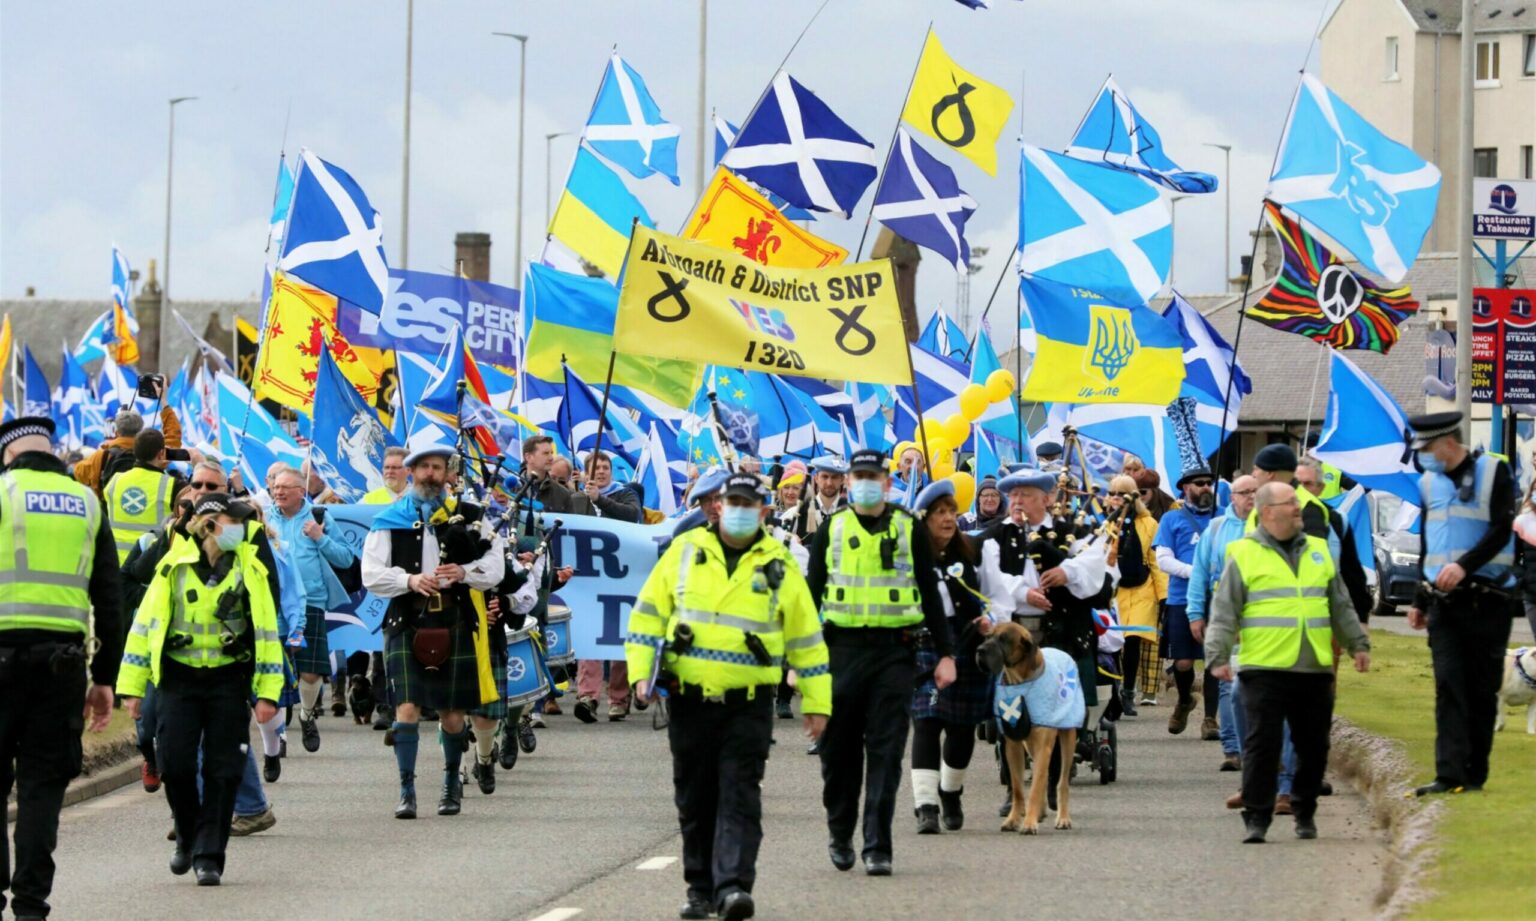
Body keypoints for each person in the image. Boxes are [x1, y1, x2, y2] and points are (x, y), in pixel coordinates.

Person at [627, 473, 831, 921]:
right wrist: (642, 674)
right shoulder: (684, 551)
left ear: (763, 511)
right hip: (688, 700)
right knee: (696, 797)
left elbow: (806, 639)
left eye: (747, 504)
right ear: (719, 506)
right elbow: (646, 617)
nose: (738, 510)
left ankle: (734, 887)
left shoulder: (779, 562)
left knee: (740, 794)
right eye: (731, 502)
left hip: (748, 703)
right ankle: (700, 889)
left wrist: (818, 703)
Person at [117, 492, 285, 885]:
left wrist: (267, 693)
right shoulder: (172, 568)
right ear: (209, 526)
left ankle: (209, 856)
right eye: (232, 521)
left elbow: (266, 633)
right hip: (179, 680)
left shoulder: (250, 570)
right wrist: (132, 687)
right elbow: (144, 628)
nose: (240, 528)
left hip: (229, 680)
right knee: (176, 765)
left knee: (223, 772)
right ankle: (187, 834)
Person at [808, 449, 956, 876]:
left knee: (886, 751)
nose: (866, 483)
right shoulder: (832, 528)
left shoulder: (909, 527)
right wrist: (799, 661)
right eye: (859, 477)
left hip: (895, 653)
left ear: (888, 484)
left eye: (874, 477)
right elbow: (809, 597)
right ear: (848, 482)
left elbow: (930, 592)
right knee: (838, 754)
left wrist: (946, 654)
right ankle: (840, 831)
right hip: (841, 652)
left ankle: (877, 844)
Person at [0, 417, 123, 920]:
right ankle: (31, 904)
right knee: (43, 786)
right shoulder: (87, 504)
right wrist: (105, 679)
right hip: (62, 667)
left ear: (9, 455)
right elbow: (110, 600)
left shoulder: (3, 493)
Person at [1206, 482, 1370, 844]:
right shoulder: (1244, 553)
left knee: (1313, 747)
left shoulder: (1318, 550)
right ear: (1267, 512)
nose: (1298, 507)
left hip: (1313, 666)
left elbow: (1340, 603)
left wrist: (1357, 643)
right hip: (1263, 667)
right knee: (1262, 746)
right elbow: (1225, 609)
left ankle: (1304, 809)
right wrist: (1217, 655)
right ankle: (1257, 816)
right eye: (1290, 502)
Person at [362, 444, 505, 819]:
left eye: (437, 467)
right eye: (423, 466)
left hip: (454, 619)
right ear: (411, 473)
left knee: (452, 715)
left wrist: (464, 573)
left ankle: (450, 783)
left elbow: (496, 567)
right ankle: (406, 790)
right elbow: (370, 573)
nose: (430, 473)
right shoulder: (389, 519)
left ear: (448, 474)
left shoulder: (471, 517)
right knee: (407, 707)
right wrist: (408, 580)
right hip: (406, 620)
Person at [977, 469, 1110, 814]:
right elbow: (988, 579)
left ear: (1047, 499)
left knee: (1056, 712)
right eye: (1013, 495)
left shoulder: (1074, 531)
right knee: (1010, 711)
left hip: (1062, 633)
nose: (1017, 501)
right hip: (1014, 636)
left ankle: (1050, 783)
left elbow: (1097, 567)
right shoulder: (994, 537)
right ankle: (1014, 791)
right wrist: (1022, 592)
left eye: (1025, 494)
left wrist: (1067, 572)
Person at [1404, 412, 1517, 797]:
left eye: (1427, 448)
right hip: (1444, 604)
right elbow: (1429, 541)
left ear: (1448, 444)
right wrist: (1419, 599)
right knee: (1448, 685)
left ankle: (1474, 775)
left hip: (1488, 600)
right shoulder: (1427, 482)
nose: (1423, 456)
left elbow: (1502, 529)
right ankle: (1448, 774)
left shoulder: (1494, 472)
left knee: (1481, 689)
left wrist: (1465, 566)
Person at [907, 480, 992, 835]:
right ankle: (925, 805)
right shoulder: (910, 557)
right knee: (927, 722)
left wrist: (988, 619)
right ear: (924, 519)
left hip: (967, 644)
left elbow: (989, 594)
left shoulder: (971, 552)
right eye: (940, 512)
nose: (947, 519)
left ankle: (951, 792)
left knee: (961, 728)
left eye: (952, 512)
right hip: (924, 643)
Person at [267, 466, 355, 752]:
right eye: (275, 487)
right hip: (272, 603)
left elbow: (345, 559)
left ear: (300, 491)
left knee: (310, 672)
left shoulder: (319, 517)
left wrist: (320, 537)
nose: (278, 492)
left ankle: (306, 715)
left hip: (310, 602)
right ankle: (278, 734)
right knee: (275, 672)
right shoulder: (264, 518)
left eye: (284, 487)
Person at [1251, 445, 1374, 623]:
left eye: (1308, 483)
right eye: (1298, 482)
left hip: (1308, 621)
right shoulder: (1256, 511)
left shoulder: (1326, 516)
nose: (1300, 489)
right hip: (1262, 619)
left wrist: (1358, 622)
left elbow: (1346, 576)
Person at [1187, 474, 1260, 771]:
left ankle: (1255, 746)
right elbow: (1199, 573)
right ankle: (1232, 748)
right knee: (1228, 682)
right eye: (1244, 492)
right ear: (1232, 497)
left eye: (1256, 491)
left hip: (1261, 614)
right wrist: (1195, 613)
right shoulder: (1216, 529)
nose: (1251, 496)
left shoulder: (1268, 526)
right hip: (1225, 613)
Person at [1154, 466, 1218, 736]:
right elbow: (1163, 560)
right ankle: (1184, 700)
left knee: (1215, 658)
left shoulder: (1222, 518)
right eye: (1199, 483)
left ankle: (1211, 719)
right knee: (1183, 661)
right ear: (1186, 488)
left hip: (1217, 597)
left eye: (1209, 483)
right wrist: (1197, 572)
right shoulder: (1172, 519)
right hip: (1182, 597)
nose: (1206, 487)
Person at [1105, 474, 1166, 718]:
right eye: (1113, 493)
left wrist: (1163, 597)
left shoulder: (1149, 524)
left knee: (1132, 641)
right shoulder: (1104, 523)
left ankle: (1128, 692)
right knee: (1112, 644)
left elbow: (1156, 562)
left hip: (1142, 589)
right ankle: (1113, 691)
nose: (1117, 498)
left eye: (1122, 494)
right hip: (1114, 591)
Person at [103, 428, 187, 565]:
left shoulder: (115, 480)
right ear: (161, 453)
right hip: (150, 565)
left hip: (116, 564)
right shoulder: (172, 485)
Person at [72, 404, 181, 499]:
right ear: (140, 430)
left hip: (110, 513)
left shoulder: (102, 454)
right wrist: (164, 404)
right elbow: (173, 438)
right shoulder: (153, 451)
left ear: (117, 431)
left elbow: (78, 471)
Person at [783, 456, 846, 543]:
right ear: (816, 478)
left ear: (842, 479)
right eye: (825, 477)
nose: (829, 483)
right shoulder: (796, 512)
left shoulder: (850, 511)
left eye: (834, 477)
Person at [581, 451, 641, 523]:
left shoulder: (625, 493)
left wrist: (599, 499)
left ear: (611, 473)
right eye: (596, 468)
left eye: (606, 468)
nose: (601, 471)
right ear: (587, 474)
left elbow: (633, 516)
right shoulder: (579, 497)